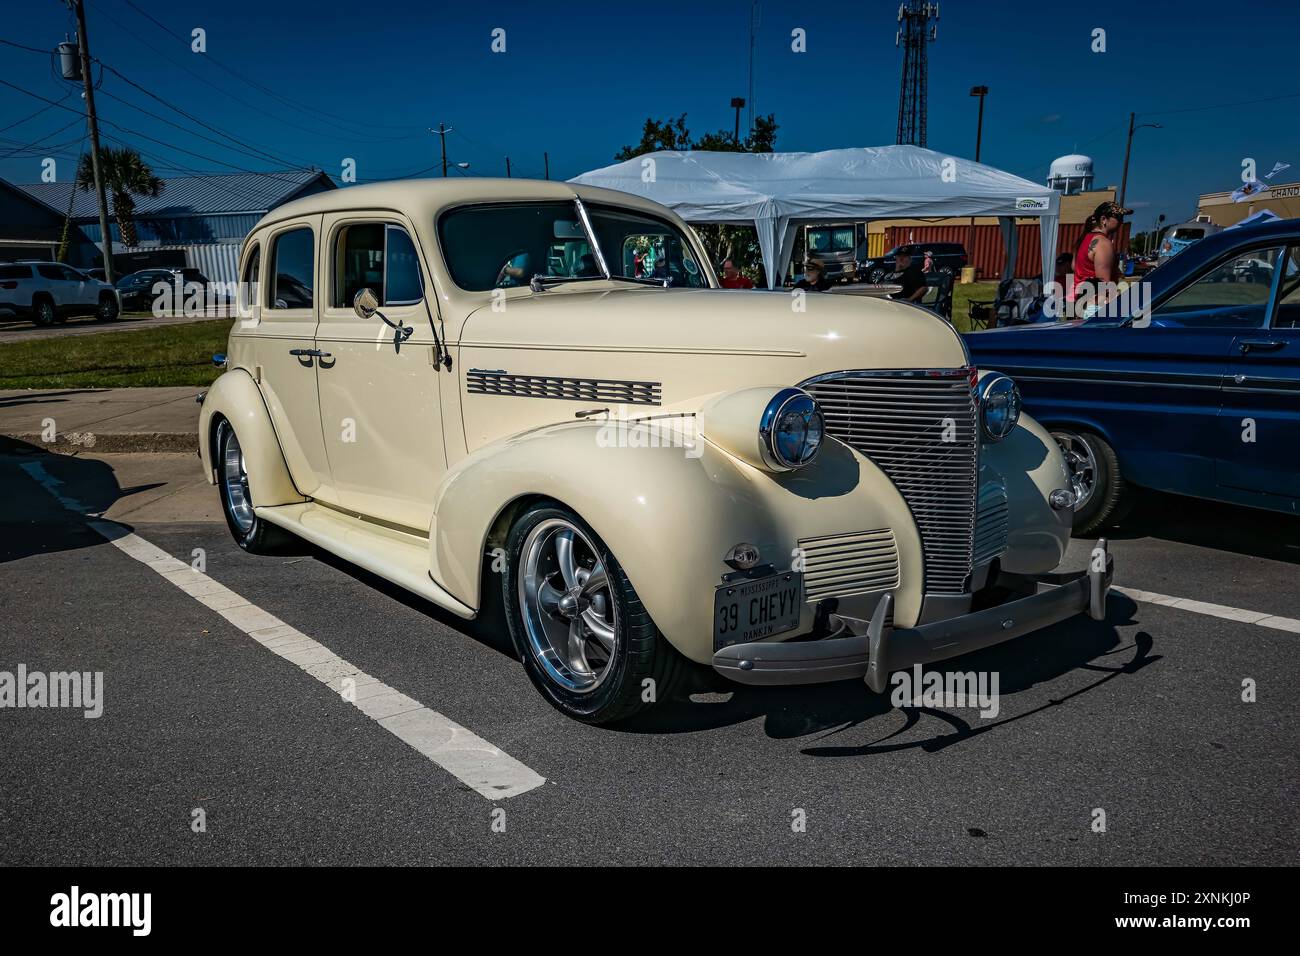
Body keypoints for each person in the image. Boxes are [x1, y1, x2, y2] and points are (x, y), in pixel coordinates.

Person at [1070, 200, 1131, 310]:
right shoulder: (1103, 243)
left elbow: (1074, 267)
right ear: (1104, 220)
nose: (1121, 221)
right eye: (1118, 217)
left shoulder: (1083, 239)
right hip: (1095, 305)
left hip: (1081, 302)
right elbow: (1103, 283)